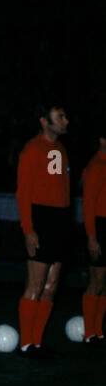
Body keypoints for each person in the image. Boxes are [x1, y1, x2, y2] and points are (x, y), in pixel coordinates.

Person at [16, 104, 71, 357]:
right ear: (44, 122)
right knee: (36, 285)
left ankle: (37, 342)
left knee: (52, 285)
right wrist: (29, 230)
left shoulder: (60, 149)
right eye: (60, 117)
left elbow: (63, 191)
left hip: (60, 220)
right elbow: (23, 194)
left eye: (64, 116)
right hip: (40, 218)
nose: (65, 120)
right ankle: (26, 343)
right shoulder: (31, 150)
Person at [81, 127, 106, 346]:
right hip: (99, 226)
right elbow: (88, 205)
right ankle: (89, 332)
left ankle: (98, 331)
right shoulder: (96, 167)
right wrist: (91, 237)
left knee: (104, 283)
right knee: (96, 281)